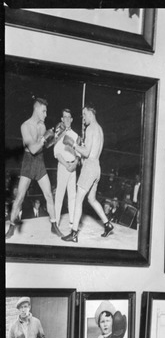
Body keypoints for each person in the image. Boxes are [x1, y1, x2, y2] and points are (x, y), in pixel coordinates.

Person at [6, 97, 61, 240]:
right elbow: (33, 149)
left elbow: (44, 147)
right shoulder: (25, 126)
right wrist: (44, 138)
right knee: (20, 197)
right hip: (29, 162)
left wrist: (55, 138)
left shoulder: (42, 126)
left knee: (49, 194)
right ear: (36, 109)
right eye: (44, 111)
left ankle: (54, 225)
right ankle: (11, 226)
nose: (46, 114)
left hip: (40, 162)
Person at [62, 105, 115, 243]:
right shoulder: (100, 130)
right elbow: (91, 152)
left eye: (84, 114)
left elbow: (86, 153)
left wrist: (73, 145)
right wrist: (80, 148)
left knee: (78, 199)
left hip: (90, 167)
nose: (83, 117)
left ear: (91, 113)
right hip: (97, 167)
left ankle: (73, 234)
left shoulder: (91, 128)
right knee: (91, 199)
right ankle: (107, 224)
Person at [52, 108, 80, 233]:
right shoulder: (58, 134)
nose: (67, 119)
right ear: (62, 119)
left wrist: (74, 164)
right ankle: (56, 223)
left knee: (72, 196)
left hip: (73, 168)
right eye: (65, 117)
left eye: (69, 117)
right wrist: (67, 165)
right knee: (59, 195)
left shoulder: (75, 135)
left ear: (72, 119)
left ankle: (72, 223)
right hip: (63, 167)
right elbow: (57, 153)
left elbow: (78, 153)